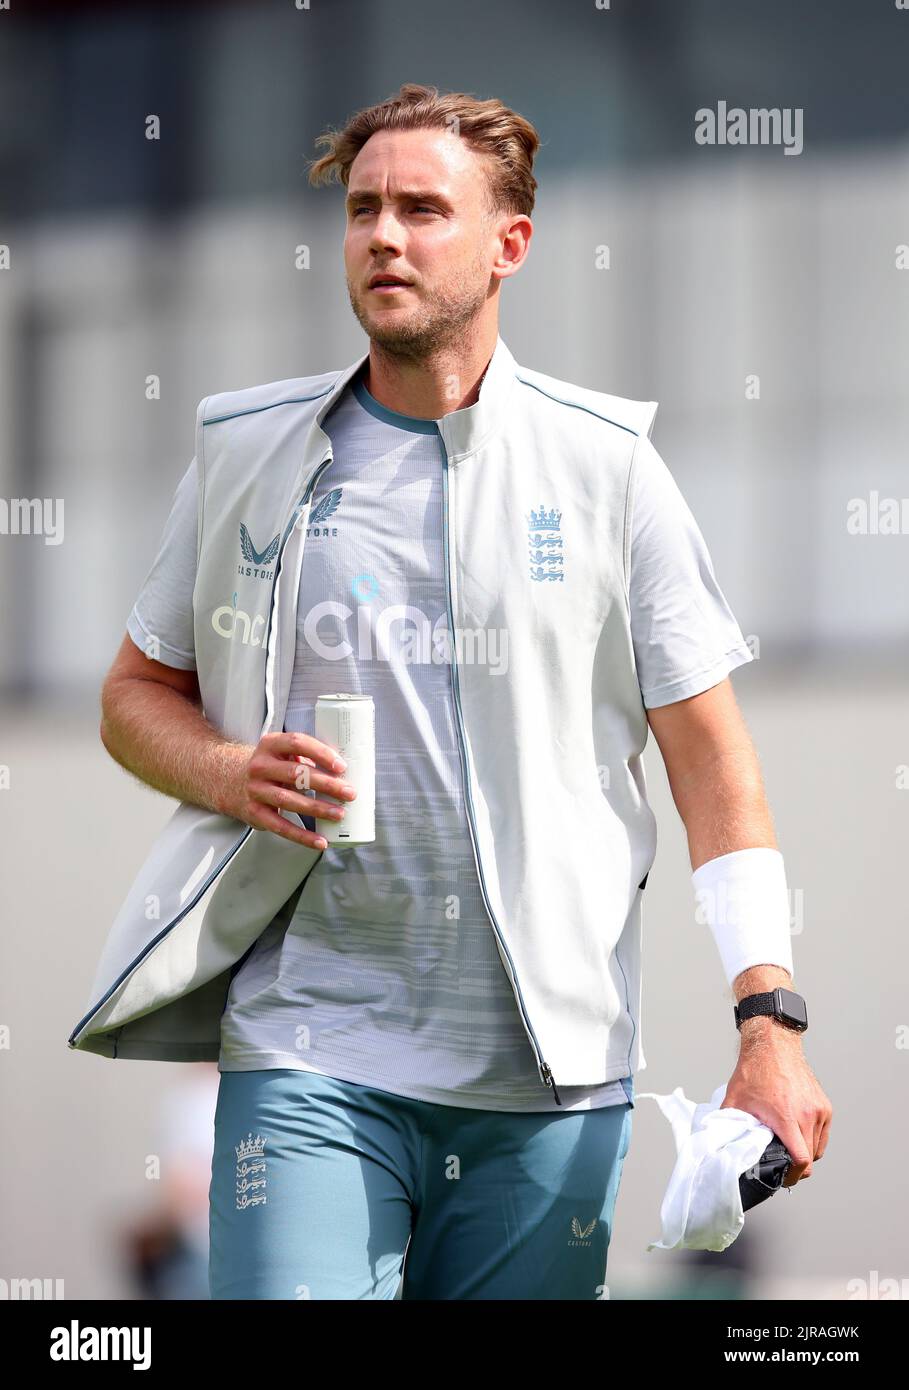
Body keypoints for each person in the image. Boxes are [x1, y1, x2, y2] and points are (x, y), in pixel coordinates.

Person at [73, 83, 832, 1300]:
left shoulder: (609, 468)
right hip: (306, 1049)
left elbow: (713, 761)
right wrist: (227, 768)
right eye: (365, 208)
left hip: (549, 1081)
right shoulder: (245, 453)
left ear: (508, 244)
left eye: (425, 209)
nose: (384, 235)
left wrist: (769, 1020)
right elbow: (132, 692)